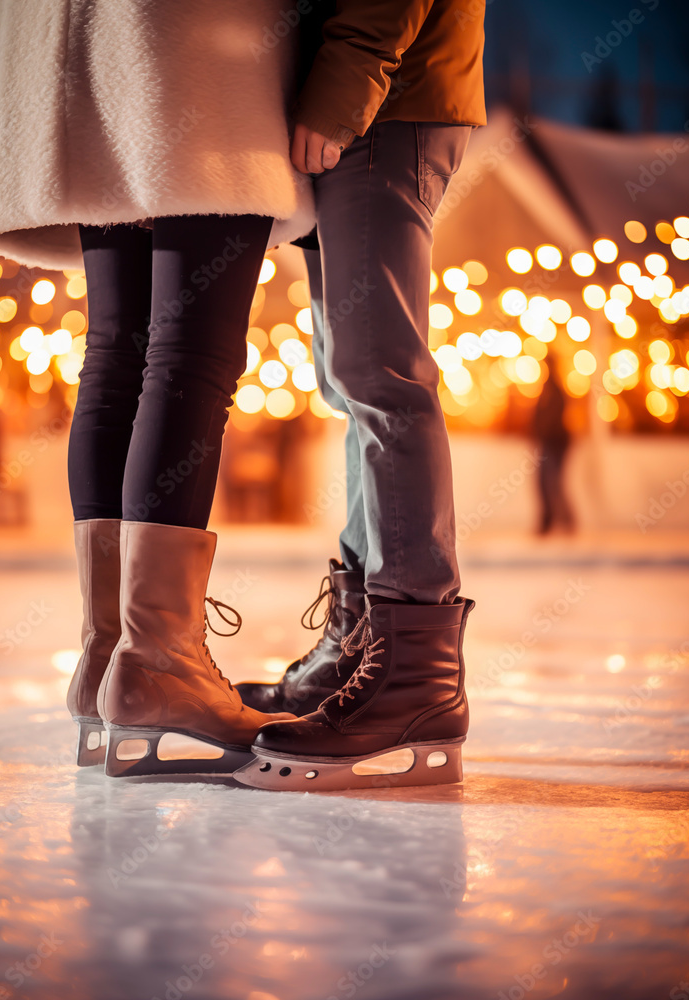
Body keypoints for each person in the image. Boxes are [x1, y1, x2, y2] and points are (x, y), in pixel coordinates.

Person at [0, 1, 314, 776]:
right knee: (191, 354)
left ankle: (110, 653)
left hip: (87, 46)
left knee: (117, 352)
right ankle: (157, 659)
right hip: (198, 50)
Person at [236, 1, 487, 791]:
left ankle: (416, 675)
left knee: (383, 375)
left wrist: (343, 87)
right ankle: (360, 640)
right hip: (368, 102)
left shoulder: (367, 94)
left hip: (385, 100)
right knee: (351, 380)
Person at [532, 361, 576, 535]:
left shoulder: (554, 390)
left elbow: (551, 417)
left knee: (551, 482)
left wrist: (542, 431)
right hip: (550, 442)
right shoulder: (548, 390)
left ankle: (562, 521)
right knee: (547, 482)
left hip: (554, 442)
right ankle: (552, 521)